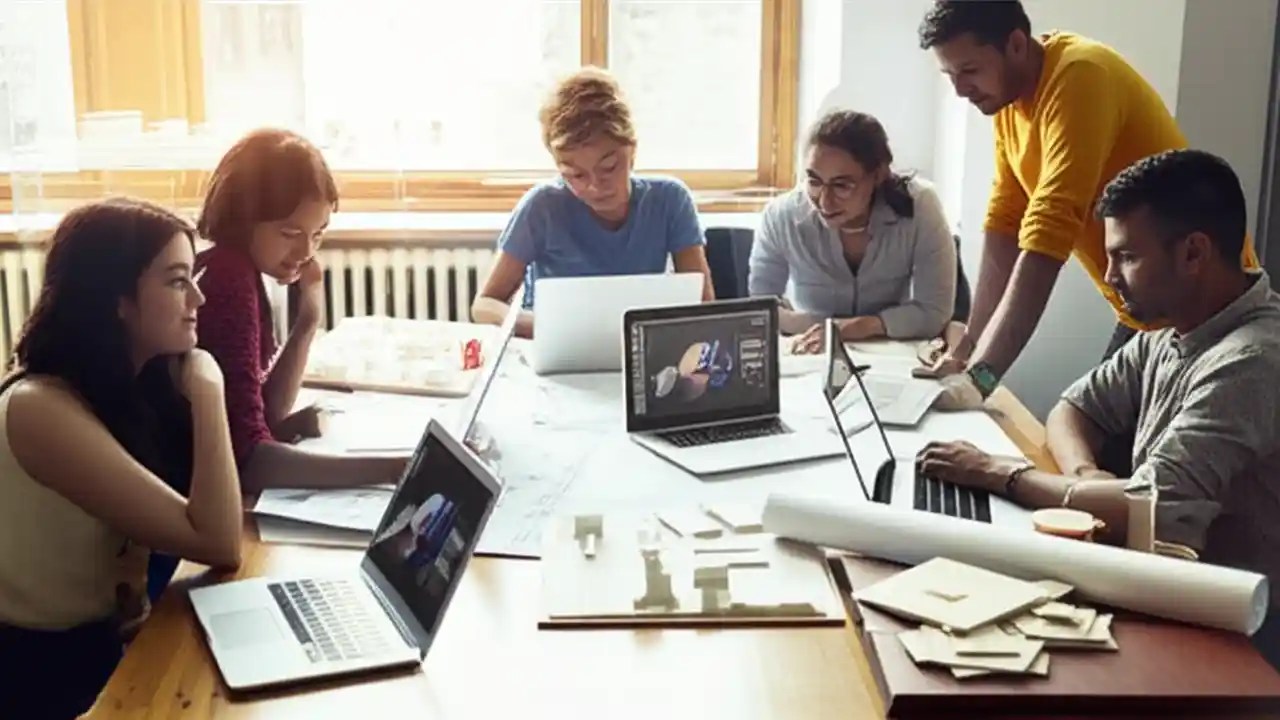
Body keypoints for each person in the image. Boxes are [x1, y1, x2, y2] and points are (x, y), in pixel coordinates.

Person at [917, 149, 1280, 670]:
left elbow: (1148, 502)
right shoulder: (1172, 327)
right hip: (1172, 585)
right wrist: (1085, 483)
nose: (1109, 276)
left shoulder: (1252, 360)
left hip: (1244, 630)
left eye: (1127, 256)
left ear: (1194, 253)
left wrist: (1005, 475)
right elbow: (1073, 409)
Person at [916, 0, 1260, 416]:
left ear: (1017, 44)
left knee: (1149, 468)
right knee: (1085, 435)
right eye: (949, 75)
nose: (959, 90)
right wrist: (966, 351)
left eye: (969, 71)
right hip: (1145, 316)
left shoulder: (1079, 75)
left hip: (1208, 317)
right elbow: (1006, 222)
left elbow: (1048, 230)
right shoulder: (1008, 102)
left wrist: (982, 378)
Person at [0, 198, 243, 719]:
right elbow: (219, 540)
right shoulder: (39, 408)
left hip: (96, 647)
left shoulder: (129, 386)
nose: (199, 298)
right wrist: (209, 386)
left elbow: (203, 520)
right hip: (37, 677)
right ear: (117, 300)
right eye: (178, 281)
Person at [195, 128, 407, 490]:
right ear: (243, 218)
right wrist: (396, 469)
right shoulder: (228, 280)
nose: (306, 251)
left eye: (318, 234)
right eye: (290, 234)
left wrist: (308, 322)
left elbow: (266, 413)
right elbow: (249, 462)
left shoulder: (240, 270)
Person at [471, 67, 714, 338]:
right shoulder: (542, 207)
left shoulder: (670, 200)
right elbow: (485, 305)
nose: (595, 186)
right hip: (552, 351)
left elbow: (703, 307)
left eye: (609, 167)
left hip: (634, 354)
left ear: (632, 151)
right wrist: (544, 327)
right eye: (575, 175)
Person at [749, 109, 959, 353]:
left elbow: (934, 312)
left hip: (892, 353)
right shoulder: (781, 215)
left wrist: (858, 326)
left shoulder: (920, 206)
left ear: (879, 175)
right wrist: (820, 328)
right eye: (814, 181)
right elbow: (760, 309)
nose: (824, 201)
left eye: (842, 185)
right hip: (810, 350)